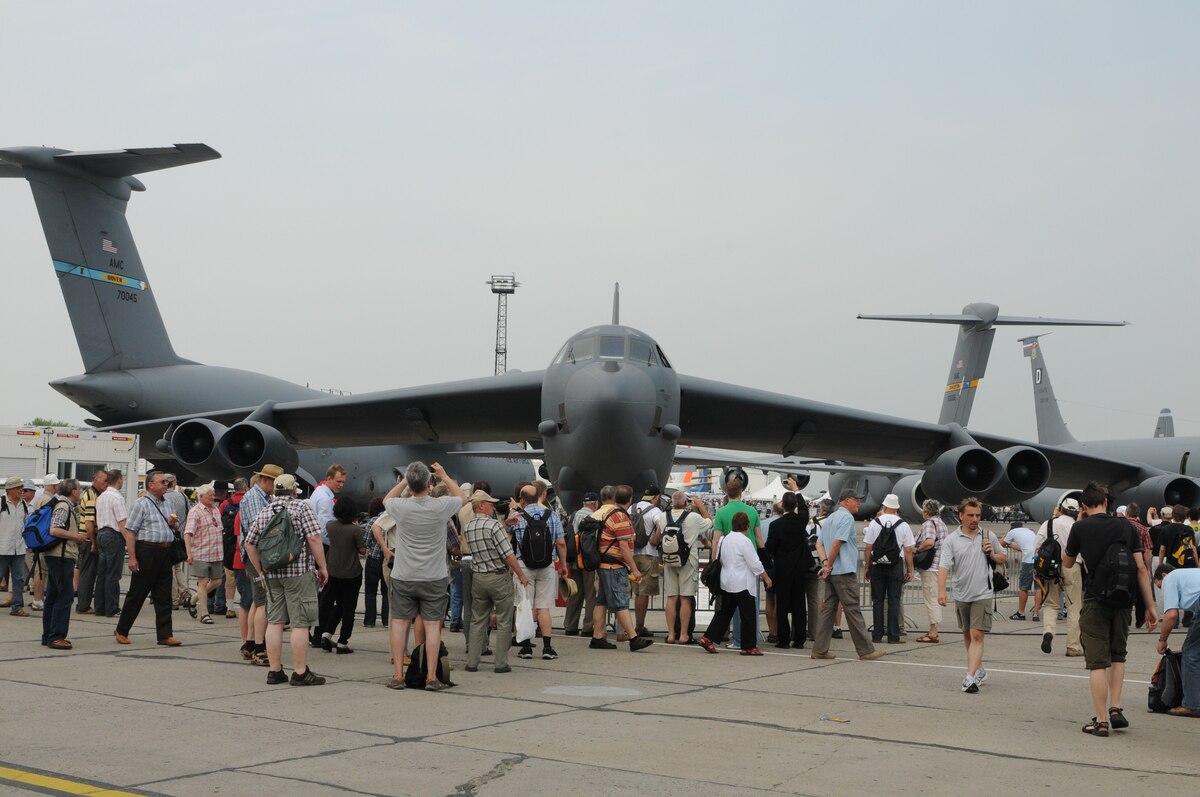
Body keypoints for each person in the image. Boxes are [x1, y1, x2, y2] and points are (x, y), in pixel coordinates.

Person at [1065, 482, 1156, 736]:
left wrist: (1080, 525)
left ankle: (1101, 720)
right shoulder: (1126, 525)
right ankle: (1116, 708)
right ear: (1106, 501)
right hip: (1123, 600)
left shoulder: (1080, 527)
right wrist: (1150, 606)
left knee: (1097, 663)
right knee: (1118, 655)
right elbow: (1140, 568)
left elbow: (1068, 561)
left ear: (1084, 506)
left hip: (1095, 599)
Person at [384, 461, 467, 691]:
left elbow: (386, 499)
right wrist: (444, 475)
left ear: (410, 485)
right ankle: (431, 676)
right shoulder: (441, 506)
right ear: (429, 483)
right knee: (432, 627)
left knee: (400, 624)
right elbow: (463, 498)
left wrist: (404, 480)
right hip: (433, 575)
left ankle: (398, 675)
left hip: (404, 574)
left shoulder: (400, 507)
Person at [244, 474, 330, 686]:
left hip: (272, 574)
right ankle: (300, 672)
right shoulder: (301, 508)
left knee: (275, 622)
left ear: (274, 491)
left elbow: (249, 544)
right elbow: (313, 537)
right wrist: (323, 566)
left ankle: (274, 671)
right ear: (293, 491)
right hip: (298, 573)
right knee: (300, 623)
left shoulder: (265, 511)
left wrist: (261, 571)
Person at [938, 497, 1005, 693]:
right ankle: (979, 669)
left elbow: (1003, 557)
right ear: (961, 516)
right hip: (961, 593)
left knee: (977, 634)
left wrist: (992, 554)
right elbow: (943, 566)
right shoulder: (952, 540)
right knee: (967, 634)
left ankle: (969, 678)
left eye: (977, 515)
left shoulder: (987, 535)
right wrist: (941, 591)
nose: (975, 519)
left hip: (982, 592)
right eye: (970, 515)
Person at [811, 491, 883, 661]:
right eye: (856, 500)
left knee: (828, 610)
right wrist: (828, 564)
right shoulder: (847, 518)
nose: (859, 503)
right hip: (843, 571)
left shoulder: (830, 519)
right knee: (852, 609)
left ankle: (819, 649)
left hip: (832, 572)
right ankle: (865, 650)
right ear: (847, 501)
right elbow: (837, 542)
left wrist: (825, 563)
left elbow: (819, 543)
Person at [463, 489, 529, 674]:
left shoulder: (469, 527)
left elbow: (486, 536)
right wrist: (521, 575)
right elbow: (508, 554)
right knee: (504, 621)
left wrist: (504, 524)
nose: (493, 507)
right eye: (490, 504)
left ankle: (472, 662)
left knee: (478, 620)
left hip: (479, 577)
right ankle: (500, 663)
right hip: (498, 577)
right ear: (481, 506)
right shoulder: (494, 526)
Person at [114, 471, 183, 647]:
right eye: (162, 482)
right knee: (137, 593)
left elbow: (173, 525)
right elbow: (130, 532)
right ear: (151, 485)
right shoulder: (141, 504)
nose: (166, 484)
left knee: (164, 596)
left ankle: (165, 634)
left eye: (167, 482)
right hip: (147, 551)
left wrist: (172, 523)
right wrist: (132, 558)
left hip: (164, 553)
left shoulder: (168, 503)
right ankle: (122, 630)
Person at [507, 483, 568, 660]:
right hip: (547, 565)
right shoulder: (552, 515)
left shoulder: (517, 516)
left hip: (523, 567)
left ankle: (526, 647)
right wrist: (563, 565)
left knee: (525, 605)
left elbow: (507, 538)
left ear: (522, 499)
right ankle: (548, 648)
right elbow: (561, 542)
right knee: (544, 607)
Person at [589, 485, 654, 652]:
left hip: (604, 564)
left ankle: (597, 637)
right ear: (631, 499)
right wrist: (634, 568)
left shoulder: (609, 514)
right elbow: (624, 547)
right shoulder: (619, 516)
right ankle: (633, 638)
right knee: (620, 603)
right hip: (614, 566)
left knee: (601, 601)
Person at [700, 512, 772, 655]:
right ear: (747, 525)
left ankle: (708, 638)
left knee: (724, 614)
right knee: (748, 615)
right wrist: (766, 577)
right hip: (742, 583)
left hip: (726, 582)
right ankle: (749, 646)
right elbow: (754, 563)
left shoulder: (724, 539)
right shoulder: (745, 541)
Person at [652, 491, 712, 645]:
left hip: (669, 559)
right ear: (687, 503)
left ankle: (671, 634)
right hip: (687, 560)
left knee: (671, 598)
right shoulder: (693, 517)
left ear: (672, 503)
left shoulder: (662, 517)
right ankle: (684, 635)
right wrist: (700, 506)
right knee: (685, 598)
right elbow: (709, 522)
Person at [239, 464, 282, 666]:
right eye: (275, 482)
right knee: (263, 601)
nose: (276, 487)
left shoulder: (261, 496)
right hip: (257, 553)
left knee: (257, 601)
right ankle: (259, 647)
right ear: (266, 480)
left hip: (253, 553)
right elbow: (262, 529)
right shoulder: (256, 498)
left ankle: (249, 643)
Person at [713, 478, 763, 648]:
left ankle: (738, 639)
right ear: (742, 492)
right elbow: (759, 539)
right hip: (750, 559)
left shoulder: (721, 512)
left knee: (733, 605)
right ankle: (752, 639)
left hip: (730, 562)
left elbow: (716, 540)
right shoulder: (752, 511)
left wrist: (714, 562)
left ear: (727, 492)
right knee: (752, 604)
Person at [41, 479, 87, 649]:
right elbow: (55, 529)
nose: (80, 491)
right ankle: (56, 636)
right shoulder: (64, 506)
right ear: (73, 491)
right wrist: (76, 537)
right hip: (61, 556)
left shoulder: (66, 505)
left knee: (53, 596)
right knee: (64, 596)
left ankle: (49, 635)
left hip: (59, 556)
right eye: (79, 489)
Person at [1032, 498, 1082, 655]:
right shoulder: (1076, 527)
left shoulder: (1048, 524)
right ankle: (1072, 646)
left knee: (1052, 604)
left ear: (1061, 508)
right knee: (1074, 607)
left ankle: (1048, 631)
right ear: (1076, 512)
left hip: (1050, 567)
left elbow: (1037, 547)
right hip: (1072, 566)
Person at [864, 494, 915, 644]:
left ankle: (877, 634)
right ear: (897, 508)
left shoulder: (875, 523)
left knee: (877, 600)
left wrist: (868, 566)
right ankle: (893, 635)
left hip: (877, 565)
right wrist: (909, 570)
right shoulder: (903, 525)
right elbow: (908, 550)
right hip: (895, 565)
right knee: (894, 600)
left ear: (884, 506)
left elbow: (868, 547)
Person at [316, 496, 365, 653]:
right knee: (349, 608)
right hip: (351, 572)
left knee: (337, 604)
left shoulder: (331, 526)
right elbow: (362, 550)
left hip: (334, 571)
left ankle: (326, 634)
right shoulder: (356, 530)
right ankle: (343, 641)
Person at [763, 491, 809, 649]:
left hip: (782, 568)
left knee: (781, 605)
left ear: (782, 505)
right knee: (799, 605)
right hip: (799, 568)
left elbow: (770, 547)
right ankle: (799, 639)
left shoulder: (775, 525)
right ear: (795, 505)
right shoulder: (801, 520)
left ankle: (783, 639)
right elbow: (804, 509)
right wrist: (797, 491)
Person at [1154, 564, 1200, 717]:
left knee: (1191, 656)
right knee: (1191, 650)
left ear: (1164, 575)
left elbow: (1171, 615)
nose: (1162, 590)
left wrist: (1162, 640)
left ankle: (1192, 705)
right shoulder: (1191, 575)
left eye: (1159, 586)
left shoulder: (1170, 579)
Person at [183, 483, 225, 625]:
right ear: (201, 497)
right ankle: (204, 613)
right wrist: (189, 553)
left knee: (218, 581)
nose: (213, 497)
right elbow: (188, 533)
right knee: (202, 582)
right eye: (210, 495)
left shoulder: (216, 510)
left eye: (213, 494)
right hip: (200, 552)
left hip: (216, 552)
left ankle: (193, 599)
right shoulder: (195, 511)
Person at [563, 491, 600, 637]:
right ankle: (588, 627)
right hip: (588, 562)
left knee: (575, 594)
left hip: (573, 560)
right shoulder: (593, 516)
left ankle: (570, 626)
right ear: (595, 504)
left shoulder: (573, 515)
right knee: (591, 594)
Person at [630, 485, 665, 638]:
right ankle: (639, 626)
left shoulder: (631, 508)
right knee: (644, 593)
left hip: (632, 555)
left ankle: (630, 625)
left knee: (636, 592)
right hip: (648, 555)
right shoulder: (655, 510)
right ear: (655, 498)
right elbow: (662, 526)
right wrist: (654, 541)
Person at [93, 469, 128, 618]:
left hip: (101, 533)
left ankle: (100, 607)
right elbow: (122, 523)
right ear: (119, 480)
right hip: (113, 535)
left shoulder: (101, 497)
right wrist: (129, 541)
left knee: (102, 573)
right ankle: (112, 607)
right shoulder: (117, 497)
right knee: (113, 573)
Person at [74, 468, 107, 614]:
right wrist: (93, 542)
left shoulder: (95, 494)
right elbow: (89, 522)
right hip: (88, 539)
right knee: (88, 573)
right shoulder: (92, 495)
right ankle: (83, 605)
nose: (106, 483)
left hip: (88, 538)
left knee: (88, 572)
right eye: (104, 480)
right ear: (96, 480)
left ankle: (83, 603)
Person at [914, 499, 948, 643]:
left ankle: (933, 632)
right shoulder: (942, 523)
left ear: (926, 512)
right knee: (934, 597)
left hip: (930, 566)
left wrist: (917, 549)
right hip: (940, 565)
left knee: (931, 598)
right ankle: (933, 629)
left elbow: (929, 542)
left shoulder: (929, 523)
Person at [0, 476, 30, 617]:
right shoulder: (1, 502)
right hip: (2, 547)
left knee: (18, 578)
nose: (21, 491)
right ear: (10, 490)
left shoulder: (23, 505)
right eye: (19, 488)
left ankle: (17, 607)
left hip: (19, 547)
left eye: (21, 488)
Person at [161, 473, 191, 610]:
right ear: (173, 483)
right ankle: (185, 593)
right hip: (181, 536)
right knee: (178, 567)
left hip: (167, 536)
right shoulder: (183, 497)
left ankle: (173, 599)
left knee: (169, 568)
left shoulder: (163, 498)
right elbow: (189, 514)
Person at [1003, 521, 1038, 620]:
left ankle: (1021, 613)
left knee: (1023, 588)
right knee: (1038, 588)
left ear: (1012, 528)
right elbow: (1023, 548)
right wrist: (1010, 545)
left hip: (1028, 562)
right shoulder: (1030, 531)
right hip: (1038, 560)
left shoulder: (1012, 532)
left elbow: (1001, 545)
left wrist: (1004, 542)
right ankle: (1036, 614)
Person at [362, 497, 389, 628]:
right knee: (386, 591)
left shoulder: (372, 521)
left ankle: (369, 620)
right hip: (387, 558)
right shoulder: (391, 519)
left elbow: (366, 541)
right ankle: (386, 620)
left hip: (373, 558)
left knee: (370, 591)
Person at [309, 463, 346, 549]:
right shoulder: (325, 499)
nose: (341, 485)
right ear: (329, 478)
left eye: (343, 482)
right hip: (323, 545)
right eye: (338, 481)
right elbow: (324, 528)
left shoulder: (318, 491)